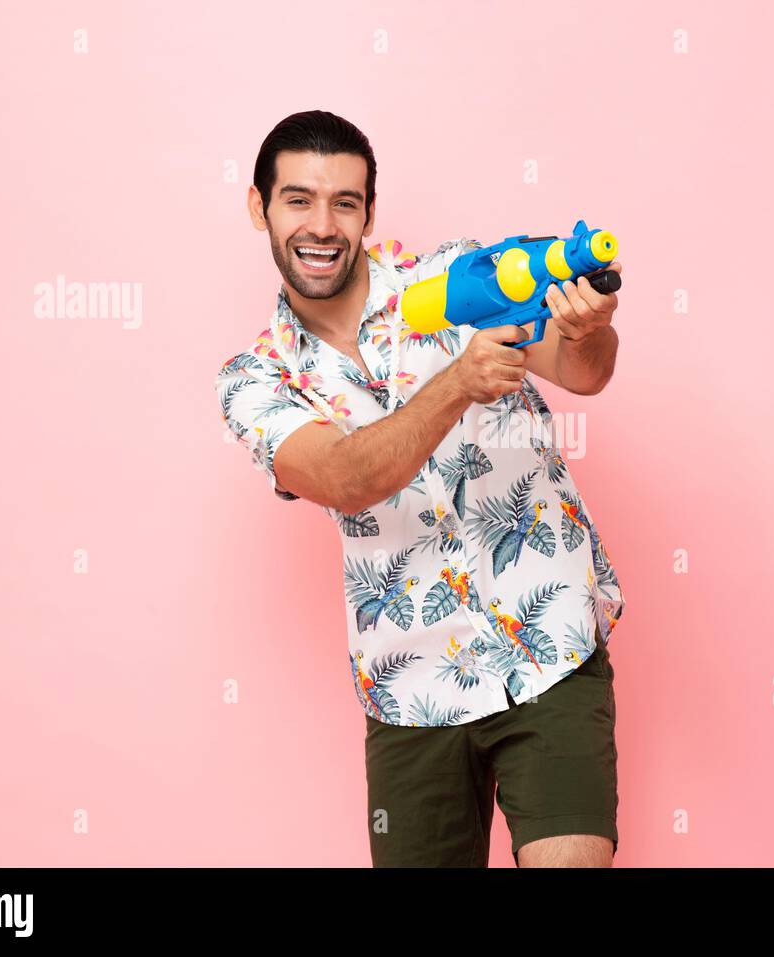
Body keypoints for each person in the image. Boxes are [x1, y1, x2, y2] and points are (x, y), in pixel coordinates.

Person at [214, 110, 627, 867]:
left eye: (345, 201)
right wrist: (458, 383)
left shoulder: (457, 281)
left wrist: (587, 324)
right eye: (298, 199)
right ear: (259, 207)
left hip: (552, 645)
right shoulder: (256, 380)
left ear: (369, 210)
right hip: (412, 689)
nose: (323, 224)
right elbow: (344, 478)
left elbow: (584, 373)